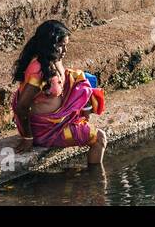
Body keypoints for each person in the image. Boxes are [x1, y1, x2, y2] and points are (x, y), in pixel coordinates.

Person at [11, 20, 107, 165]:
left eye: (66, 45)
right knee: (99, 138)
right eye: (61, 46)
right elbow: (21, 107)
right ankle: (94, 182)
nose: (65, 50)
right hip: (46, 131)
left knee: (84, 80)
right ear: (49, 45)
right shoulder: (38, 70)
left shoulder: (53, 59)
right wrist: (28, 138)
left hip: (60, 120)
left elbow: (67, 80)